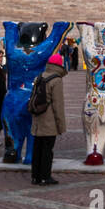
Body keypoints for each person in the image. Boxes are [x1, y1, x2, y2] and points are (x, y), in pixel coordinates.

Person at [31, 53, 67, 185]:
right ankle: (46, 177)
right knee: (47, 151)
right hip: (49, 121)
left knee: (37, 149)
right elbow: (58, 105)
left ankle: (35, 176)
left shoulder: (40, 76)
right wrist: (61, 125)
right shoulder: (56, 80)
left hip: (37, 119)